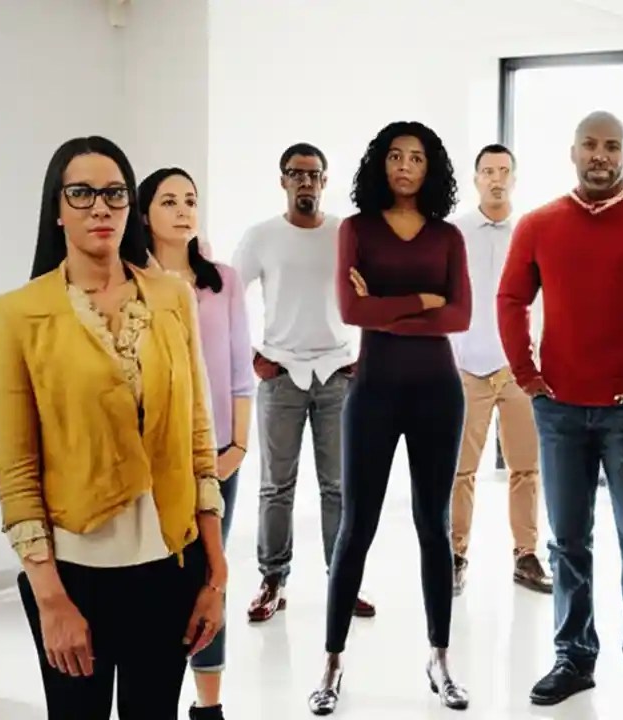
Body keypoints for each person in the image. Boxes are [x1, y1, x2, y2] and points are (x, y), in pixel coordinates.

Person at [0, 136, 227, 718]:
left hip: (169, 565)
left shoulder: (172, 298)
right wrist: (51, 600)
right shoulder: (18, 314)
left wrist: (215, 573)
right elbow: (16, 471)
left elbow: (198, 435)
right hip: (75, 575)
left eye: (114, 193)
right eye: (82, 192)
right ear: (57, 208)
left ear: (129, 206)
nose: (100, 206)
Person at [498, 111, 623, 720]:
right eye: (590, 145)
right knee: (567, 542)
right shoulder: (538, 224)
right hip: (560, 410)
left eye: (611, 147)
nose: (600, 155)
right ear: (572, 152)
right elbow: (511, 298)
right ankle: (573, 658)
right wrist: (527, 373)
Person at [308, 121, 472, 715]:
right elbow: (352, 308)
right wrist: (421, 300)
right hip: (373, 391)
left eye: (417, 158)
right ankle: (331, 662)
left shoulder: (448, 236)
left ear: (432, 170)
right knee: (357, 528)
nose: (405, 166)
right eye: (396, 156)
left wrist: (388, 307)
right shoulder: (356, 229)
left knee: (434, 526)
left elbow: (459, 317)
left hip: (438, 392)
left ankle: (440, 657)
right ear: (380, 164)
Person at [231, 143, 376, 623]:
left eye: (314, 175)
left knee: (338, 486)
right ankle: (273, 579)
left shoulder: (344, 233)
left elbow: (373, 292)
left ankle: (343, 579)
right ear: (283, 181)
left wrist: (363, 354)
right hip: (281, 375)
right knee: (276, 486)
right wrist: (251, 354)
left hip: (337, 372)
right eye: (296, 174)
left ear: (325, 181)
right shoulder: (261, 237)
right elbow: (231, 296)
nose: (305, 183)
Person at [140, 167, 255, 720]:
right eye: (169, 201)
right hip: (154, 459)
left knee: (213, 576)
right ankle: (155, 690)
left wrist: (237, 449)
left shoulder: (223, 280)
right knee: (160, 581)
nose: (184, 210)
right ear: (145, 215)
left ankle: (209, 705)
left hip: (217, 459)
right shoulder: (133, 282)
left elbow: (239, 372)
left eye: (190, 200)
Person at [449, 143, 551, 595]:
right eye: (487, 171)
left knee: (526, 468)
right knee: (459, 469)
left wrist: (541, 356)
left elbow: (549, 296)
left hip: (518, 368)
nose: (496, 178)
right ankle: (454, 554)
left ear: (514, 178)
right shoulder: (454, 233)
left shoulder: (530, 231)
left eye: (504, 171)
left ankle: (526, 555)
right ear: (475, 179)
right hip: (466, 366)